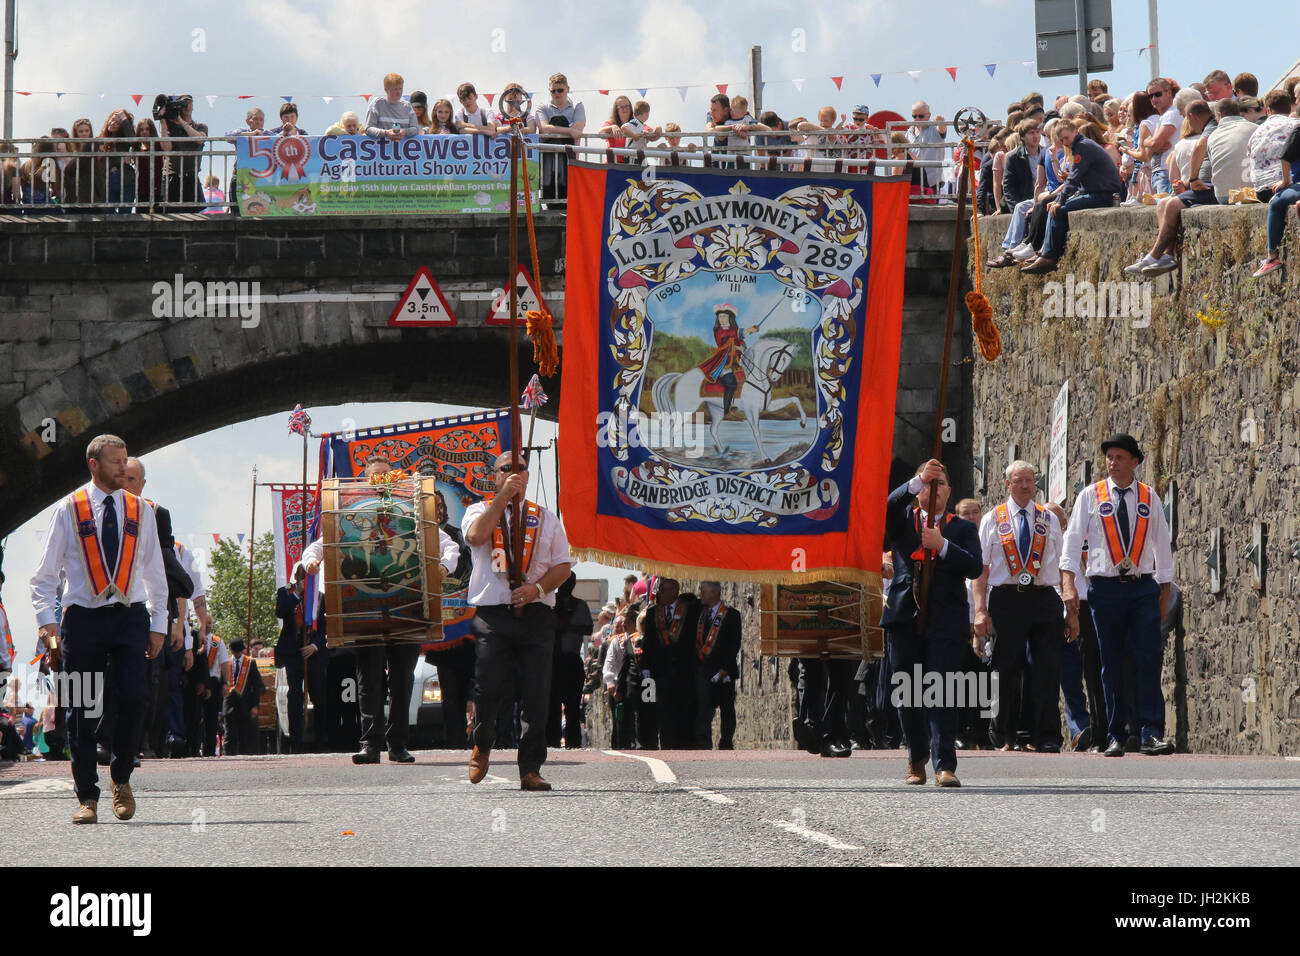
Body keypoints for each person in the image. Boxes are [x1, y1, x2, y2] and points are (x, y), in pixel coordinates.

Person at [29, 435, 168, 824]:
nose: (124, 468)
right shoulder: (68, 510)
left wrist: (158, 625)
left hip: (130, 615)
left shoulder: (141, 510)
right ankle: (86, 796)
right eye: (115, 462)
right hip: (83, 618)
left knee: (135, 697)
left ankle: (121, 780)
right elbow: (43, 579)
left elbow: (156, 573)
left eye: (126, 461)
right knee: (81, 708)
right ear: (94, 465)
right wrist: (47, 625)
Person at [463, 451, 573, 790]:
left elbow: (563, 566)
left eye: (520, 469)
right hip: (493, 615)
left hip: (536, 613)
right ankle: (482, 743)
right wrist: (503, 499)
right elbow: (475, 537)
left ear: (527, 475)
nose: (514, 474)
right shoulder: (479, 510)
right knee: (489, 687)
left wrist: (536, 589)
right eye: (506, 469)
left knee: (536, 693)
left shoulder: (546, 518)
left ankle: (530, 768)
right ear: (494, 476)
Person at [1061, 435, 1176, 757]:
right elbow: (1072, 543)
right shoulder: (1091, 496)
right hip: (1105, 586)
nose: (1113, 462)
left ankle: (1151, 731)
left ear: (1135, 462)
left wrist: (1164, 590)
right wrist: (1068, 584)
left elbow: (1161, 544)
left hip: (1142, 586)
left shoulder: (1148, 496)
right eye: (1109, 457)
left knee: (1148, 656)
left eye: (1120, 457)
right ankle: (1115, 733)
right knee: (1109, 662)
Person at [881, 459, 983, 787]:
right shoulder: (903, 521)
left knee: (942, 689)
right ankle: (915, 756)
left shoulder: (962, 528)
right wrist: (915, 480)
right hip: (904, 616)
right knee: (907, 691)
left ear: (948, 492)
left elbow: (974, 567)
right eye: (926, 485)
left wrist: (943, 546)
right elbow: (887, 506)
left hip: (945, 620)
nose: (932, 491)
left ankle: (944, 763)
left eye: (938, 486)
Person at [971, 462, 1066, 752]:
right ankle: (1002, 734)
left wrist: (1069, 608)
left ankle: (1045, 735)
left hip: (1043, 595)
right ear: (1007, 484)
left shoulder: (1047, 518)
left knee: (1047, 668)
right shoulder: (992, 519)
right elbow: (980, 569)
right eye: (1018, 480)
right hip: (1006, 597)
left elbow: (1063, 564)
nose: (1025, 485)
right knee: (1004, 667)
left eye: (1029, 480)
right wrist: (979, 610)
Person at [1020, 122, 1123, 275]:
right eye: (1061, 140)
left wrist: (1060, 201)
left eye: (1066, 138)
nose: (1065, 143)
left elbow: (1074, 178)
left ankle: (1049, 256)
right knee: (1052, 206)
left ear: (1075, 132)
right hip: (1095, 191)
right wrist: (1058, 200)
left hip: (1104, 194)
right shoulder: (1081, 145)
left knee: (1058, 210)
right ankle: (1045, 252)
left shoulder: (1083, 146)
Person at [423, 489, 476, 748]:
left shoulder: (457, 535)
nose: (440, 510)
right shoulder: (417, 536)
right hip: (437, 629)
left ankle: (481, 739)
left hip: (465, 621)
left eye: (442, 506)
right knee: (449, 693)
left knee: (476, 689)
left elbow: (468, 569)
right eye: (435, 506)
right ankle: (454, 742)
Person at [638, 577, 699, 749]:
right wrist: (646, 669)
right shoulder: (653, 613)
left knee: (684, 709)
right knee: (663, 710)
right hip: (660, 671)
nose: (658, 595)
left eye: (662, 590)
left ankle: (685, 744)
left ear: (674, 590)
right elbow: (648, 642)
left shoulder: (690, 610)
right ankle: (667, 745)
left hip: (684, 670)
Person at [275, 562, 327, 753]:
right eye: (302, 577)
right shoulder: (286, 592)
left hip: (313, 651)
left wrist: (314, 645)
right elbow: (280, 611)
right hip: (292, 652)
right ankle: (295, 741)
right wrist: (298, 594)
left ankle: (322, 739)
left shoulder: (320, 597)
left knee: (319, 695)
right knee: (295, 695)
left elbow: (325, 627)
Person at [693, 582, 741, 750]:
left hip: (724, 669)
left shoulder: (731, 615)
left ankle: (726, 741)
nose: (700, 594)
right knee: (703, 706)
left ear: (714, 593)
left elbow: (734, 644)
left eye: (703, 591)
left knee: (727, 706)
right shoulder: (700, 613)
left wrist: (725, 668)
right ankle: (704, 742)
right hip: (703, 668)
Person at [549, 572, 593, 749]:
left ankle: (573, 743)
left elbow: (588, 628)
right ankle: (551, 740)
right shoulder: (550, 603)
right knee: (552, 706)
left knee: (573, 706)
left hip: (571, 659)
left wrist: (567, 626)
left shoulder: (580, 605)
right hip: (552, 660)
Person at [696, 303, 759, 417]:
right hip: (724, 362)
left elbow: (739, 341)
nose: (722, 319)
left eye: (724, 316)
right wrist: (748, 330)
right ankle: (726, 410)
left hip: (735, 361)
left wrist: (746, 336)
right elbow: (729, 338)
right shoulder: (719, 331)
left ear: (730, 318)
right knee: (731, 383)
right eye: (720, 317)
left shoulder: (733, 330)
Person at [536, 73, 585, 204]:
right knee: (548, 193)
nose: (557, 94)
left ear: (567, 89)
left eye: (560, 90)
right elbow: (544, 128)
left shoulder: (577, 105)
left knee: (568, 195)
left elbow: (579, 127)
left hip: (568, 159)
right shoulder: (542, 107)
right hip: (547, 160)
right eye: (553, 91)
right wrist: (569, 130)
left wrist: (555, 129)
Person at [159, 95, 208, 211]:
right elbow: (167, 148)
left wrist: (181, 122)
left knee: (193, 215)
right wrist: (162, 120)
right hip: (172, 176)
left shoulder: (200, 126)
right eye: (183, 104)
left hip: (190, 176)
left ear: (193, 106)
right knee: (171, 215)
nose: (186, 106)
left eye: (189, 103)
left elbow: (199, 140)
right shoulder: (170, 126)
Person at [223, 639, 264, 756]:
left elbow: (257, 686)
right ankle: (229, 757)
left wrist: (255, 705)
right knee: (230, 735)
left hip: (246, 704)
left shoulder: (250, 663)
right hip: (229, 705)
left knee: (245, 736)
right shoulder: (227, 663)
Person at [907, 101, 948, 197]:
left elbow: (942, 130)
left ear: (928, 115)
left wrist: (941, 122)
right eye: (914, 116)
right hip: (914, 181)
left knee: (932, 210)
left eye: (920, 116)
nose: (917, 119)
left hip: (932, 182)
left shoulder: (934, 128)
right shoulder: (909, 131)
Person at [364, 73, 419, 141]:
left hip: (403, 150)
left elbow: (415, 128)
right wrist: (386, 133)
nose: (399, 92)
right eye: (395, 89)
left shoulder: (407, 107)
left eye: (400, 88)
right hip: (381, 149)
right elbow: (368, 129)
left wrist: (404, 132)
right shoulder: (377, 104)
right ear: (386, 89)